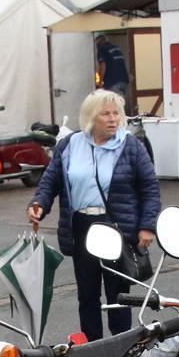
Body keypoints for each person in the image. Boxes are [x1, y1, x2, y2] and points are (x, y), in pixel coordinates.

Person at [27, 89, 160, 341]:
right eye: (105, 113)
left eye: (116, 113)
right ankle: (92, 349)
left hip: (115, 227)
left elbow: (150, 188)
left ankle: (122, 348)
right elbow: (50, 181)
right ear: (90, 117)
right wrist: (39, 204)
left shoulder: (131, 146)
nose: (113, 119)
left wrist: (148, 226)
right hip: (81, 226)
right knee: (87, 294)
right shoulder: (70, 145)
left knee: (118, 295)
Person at [96, 36, 131, 104]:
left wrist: (100, 82)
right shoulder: (116, 47)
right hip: (124, 81)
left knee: (114, 105)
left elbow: (103, 66)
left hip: (112, 82)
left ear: (99, 41)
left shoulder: (102, 48)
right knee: (120, 104)